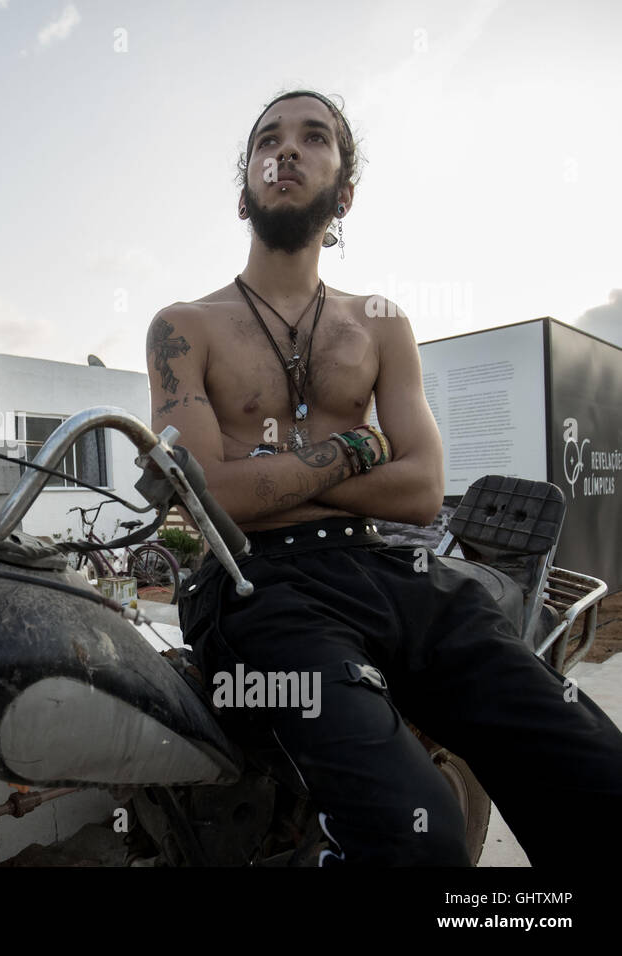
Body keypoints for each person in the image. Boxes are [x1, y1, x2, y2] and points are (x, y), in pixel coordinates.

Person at [149, 89, 622, 866]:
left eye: (314, 137)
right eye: (268, 139)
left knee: (598, 776)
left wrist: (265, 471)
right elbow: (213, 499)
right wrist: (357, 451)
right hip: (257, 588)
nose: (287, 150)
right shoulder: (184, 325)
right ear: (244, 191)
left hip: (394, 571)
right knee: (419, 834)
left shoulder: (380, 322)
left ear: (346, 190)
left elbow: (423, 490)